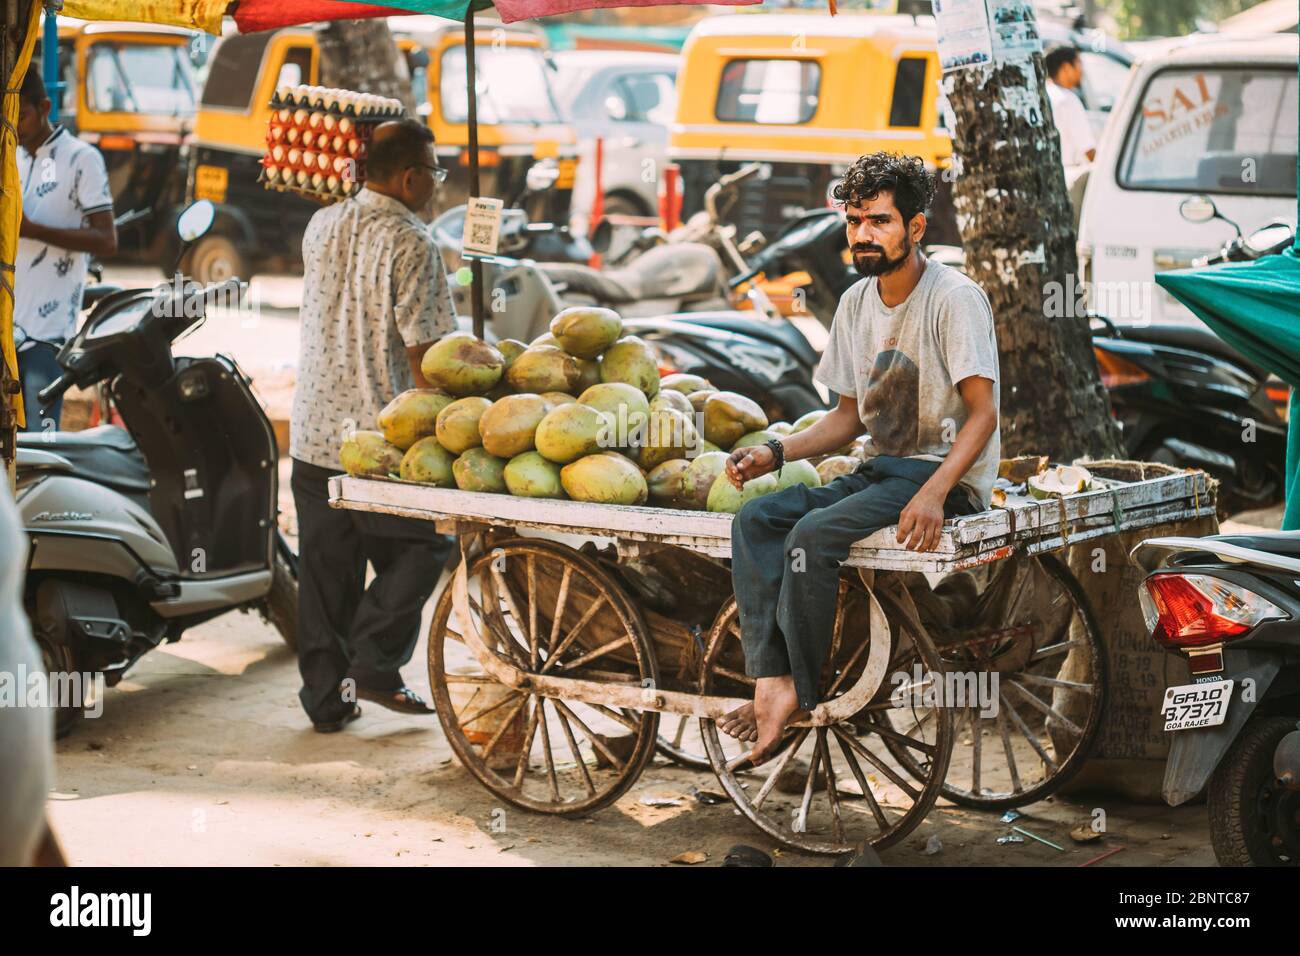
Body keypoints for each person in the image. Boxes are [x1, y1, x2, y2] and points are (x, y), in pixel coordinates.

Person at [720, 152, 1001, 764]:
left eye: (879, 221)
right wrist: (773, 452)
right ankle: (772, 680)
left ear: (915, 228)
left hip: (941, 476)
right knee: (757, 521)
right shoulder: (853, 303)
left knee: (813, 535)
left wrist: (933, 493)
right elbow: (848, 418)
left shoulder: (953, 299)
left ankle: (804, 685)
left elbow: (984, 414)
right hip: (881, 470)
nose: (862, 235)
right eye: (854, 221)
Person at [290, 118, 456, 732]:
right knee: (425, 544)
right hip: (381, 448)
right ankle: (376, 662)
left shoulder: (321, 222)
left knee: (325, 571)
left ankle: (328, 701)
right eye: (434, 174)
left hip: (312, 434)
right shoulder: (413, 242)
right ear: (410, 177)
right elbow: (429, 361)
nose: (437, 186)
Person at [13, 68, 116, 431]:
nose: (15, 124)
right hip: (5, 335)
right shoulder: (13, 158)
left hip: (47, 334)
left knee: (39, 449)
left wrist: (33, 230)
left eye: (21, 115)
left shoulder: (81, 158)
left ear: (44, 107)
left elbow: (107, 239)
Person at [1044, 45, 1097, 168]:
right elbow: (1088, 150)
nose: (1082, 70)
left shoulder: (1044, 94)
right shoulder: (1068, 100)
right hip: (1069, 173)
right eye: (1079, 63)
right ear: (1066, 68)